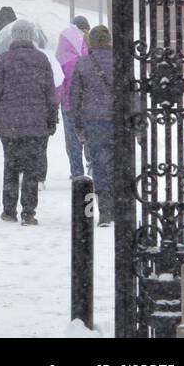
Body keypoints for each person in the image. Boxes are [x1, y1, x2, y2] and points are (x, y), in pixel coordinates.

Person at [0, 17, 58, 225]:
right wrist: (52, 119)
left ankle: (9, 210)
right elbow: (50, 94)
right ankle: (29, 212)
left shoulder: (3, 60)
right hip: (36, 125)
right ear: (32, 37)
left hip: (9, 125)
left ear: (14, 37)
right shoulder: (42, 60)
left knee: (11, 167)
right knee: (31, 170)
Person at [70, 24, 114, 226]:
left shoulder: (83, 64)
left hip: (93, 120)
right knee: (118, 163)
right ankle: (120, 207)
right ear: (109, 41)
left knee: (99, 162)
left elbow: (76, 97)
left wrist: (77, 125)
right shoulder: (119, 62)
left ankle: (105, 209)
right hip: (117, 119)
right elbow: (132, 91)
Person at [56, 18, 90, 178]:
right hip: (87, 104)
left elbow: (59, 83)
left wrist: (57, 101)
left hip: (68, 104)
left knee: (72, 140)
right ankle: (91, 164)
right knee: (89, 135)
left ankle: (76, 171)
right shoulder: (89, 57)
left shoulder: (62, 59)